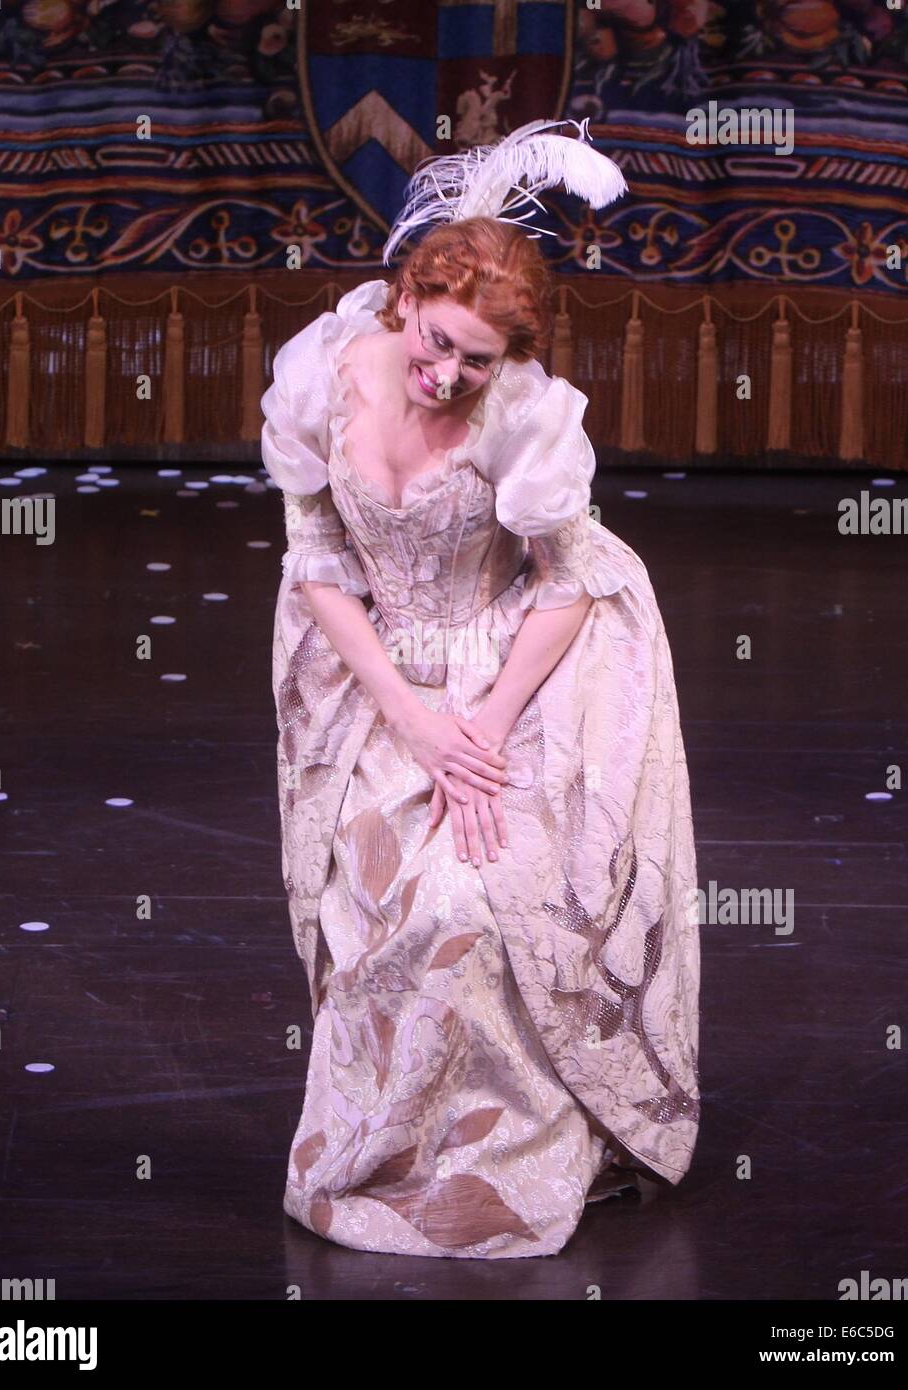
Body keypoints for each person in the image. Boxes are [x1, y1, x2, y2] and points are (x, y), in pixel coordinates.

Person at [261, 125, 700, 1260]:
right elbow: (314, 567)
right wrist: (409, 719)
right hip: (368, 680)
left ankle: (498, 1160)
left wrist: (485, 727)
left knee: (474, 908)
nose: (449, 376)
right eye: (441, 344)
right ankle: (382, 1148)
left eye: (478, 358)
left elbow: (566, 580)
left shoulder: (521, 412)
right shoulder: (321, 372)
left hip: (507, 664)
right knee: (370, 919)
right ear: (406, 295)